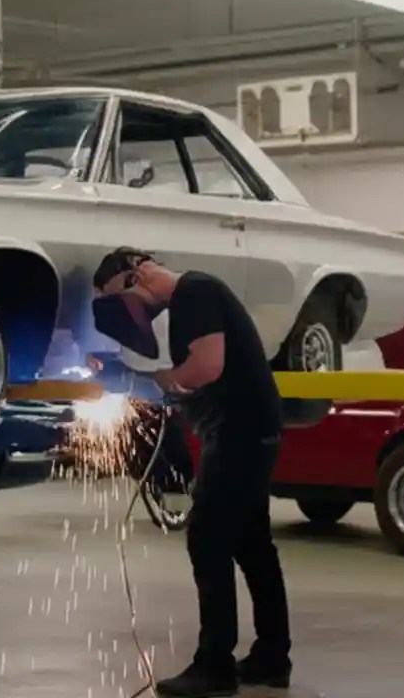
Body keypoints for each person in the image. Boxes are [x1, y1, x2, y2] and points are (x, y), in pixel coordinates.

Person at [90, 247, 292, 698]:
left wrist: (166, 378)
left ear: (137, 274)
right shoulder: (193, 298)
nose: (126, 311)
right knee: (252, 543)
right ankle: (272, 657)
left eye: (118, 297)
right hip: (249, 428)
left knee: (208, 539)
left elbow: (207, 365)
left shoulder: (193, 292)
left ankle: (214, 666)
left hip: (239, 431)